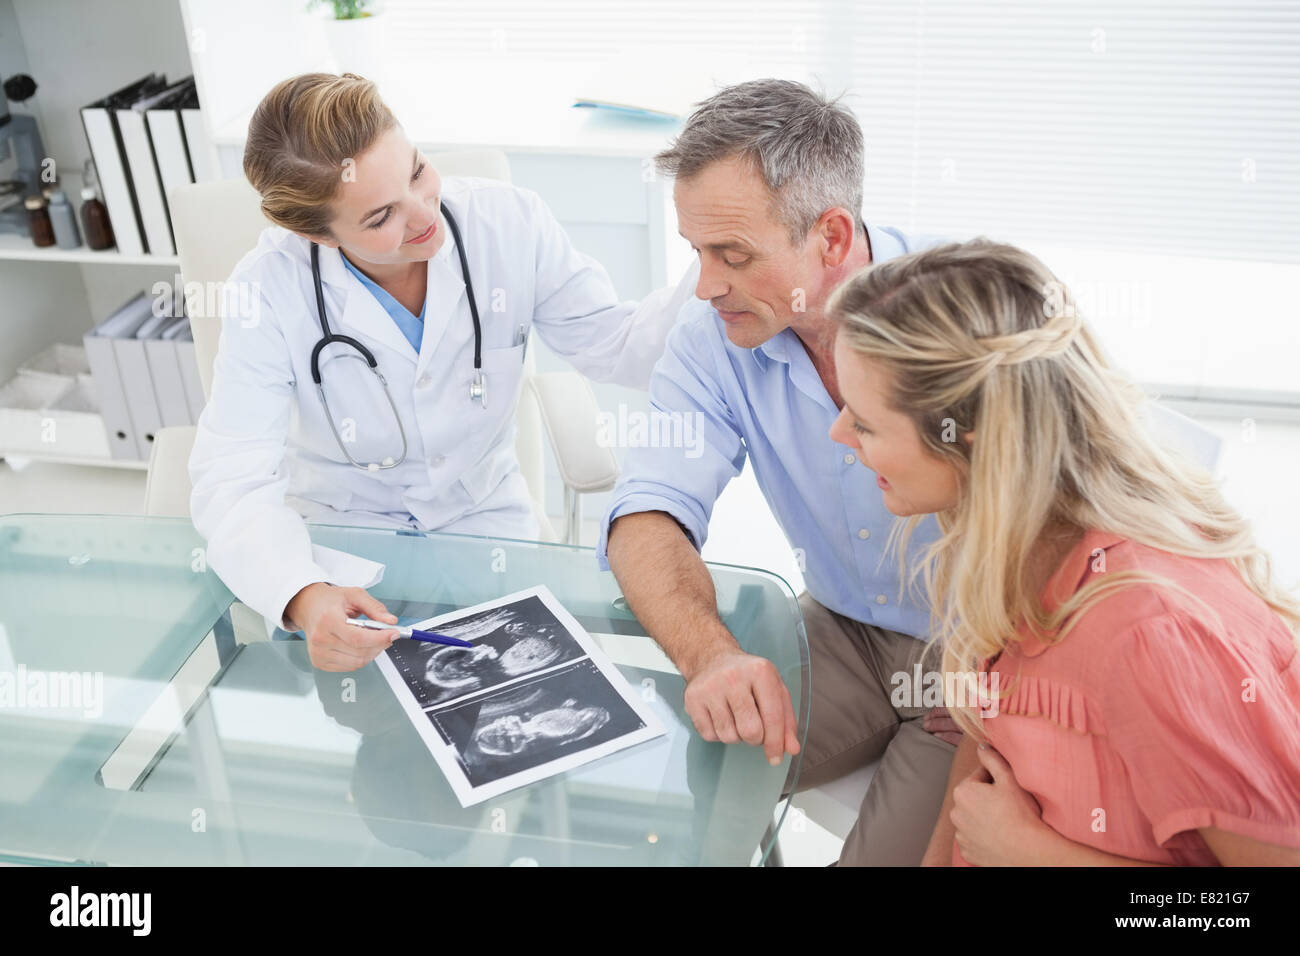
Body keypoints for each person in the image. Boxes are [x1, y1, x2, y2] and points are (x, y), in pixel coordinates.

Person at [189, 73, 691, 673]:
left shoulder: (508, 225)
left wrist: (720, 260)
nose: (426, 213)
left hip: (486, 526)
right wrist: (300, 596)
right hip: (347, 549)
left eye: (419, 172)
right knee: (379, 729)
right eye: (381, 217)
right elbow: (232, 476)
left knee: (535, 705)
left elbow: (618, 346)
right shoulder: (268, 286)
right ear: (314, 233)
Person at [827, 238, 1300, 865]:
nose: (839, 434)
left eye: (863, 422)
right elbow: (981, 769)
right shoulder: (1026, 557)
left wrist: (1034, 855)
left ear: (970, 437)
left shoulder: (1152, 635)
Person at [597, 78, 959, 866]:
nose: (706, 283)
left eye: (734, 255)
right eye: (696, 251)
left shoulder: (966, 316)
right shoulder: (711, 336)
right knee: (700, 783)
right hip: (839, 627)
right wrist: (713, 656)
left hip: (977, 656)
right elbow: (646, 513)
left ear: (830, 238)